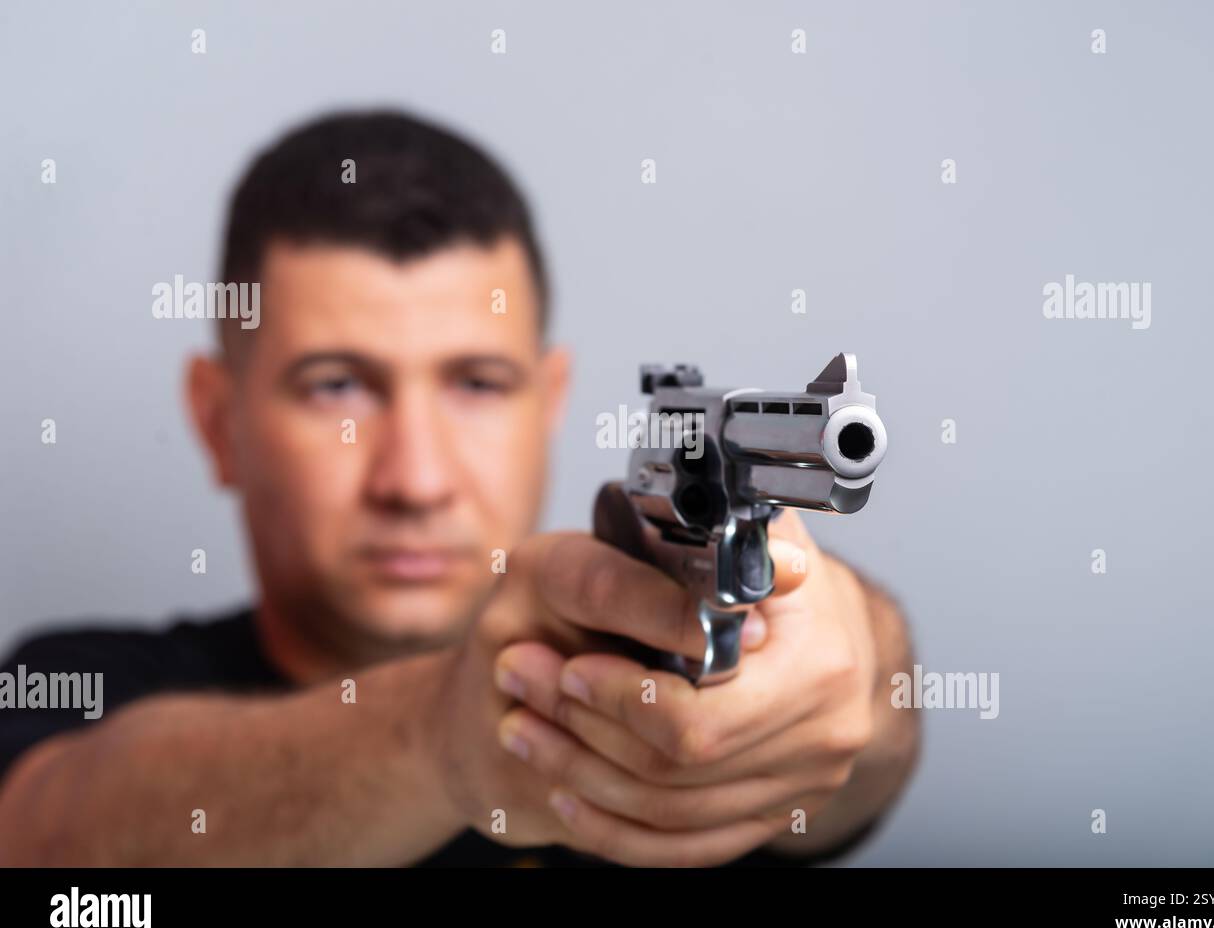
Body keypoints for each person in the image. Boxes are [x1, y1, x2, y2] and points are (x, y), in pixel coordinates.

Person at [0, 111, 919, 867]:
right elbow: (51, 838)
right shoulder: (78, 686)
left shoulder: (668, 710)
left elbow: (874, 755)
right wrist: (437, 737)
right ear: (216, 421)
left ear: (549, 400)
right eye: (337, 386)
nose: (418, 478)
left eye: (477, 383)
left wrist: (849, 660)